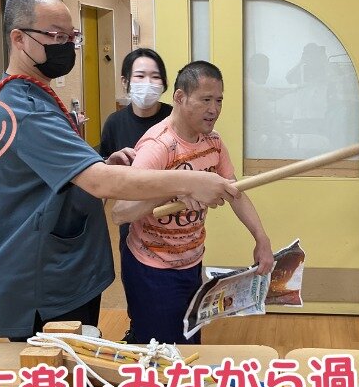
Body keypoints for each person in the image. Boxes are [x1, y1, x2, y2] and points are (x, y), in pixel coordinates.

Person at [0, 0, 239, 341]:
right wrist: (190, 181)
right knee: (61, 365)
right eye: (56, 36)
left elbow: (68, 172)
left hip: (72, 265)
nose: (67, 46)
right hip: (43, 276)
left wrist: (100, 162)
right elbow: (102, 186)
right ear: (19, 39)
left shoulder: (38, 94)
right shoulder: (25, 108)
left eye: (72, 37)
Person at [111, 61, 274, 344]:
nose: (214, 109)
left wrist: (261, 238)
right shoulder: (158, 146)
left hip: (191, 262)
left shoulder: (213, 143)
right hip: (152, 269)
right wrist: (177, 186)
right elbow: (120, 212)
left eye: (219, 100)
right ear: (180, 97)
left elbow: (235, 192)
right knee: (161, 353)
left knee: (188, 344)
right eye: (206, 100)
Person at [99, 48, 173, 342]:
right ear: (125, 81)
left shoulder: (174, 118)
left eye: (155, 77)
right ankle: (138, 333)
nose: (148, 83)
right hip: (132, 224)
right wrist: (110, 163)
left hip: (174, 223)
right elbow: (102, 176)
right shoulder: (115, 123)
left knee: (175, 291)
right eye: (140, 76)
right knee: (137, 287)